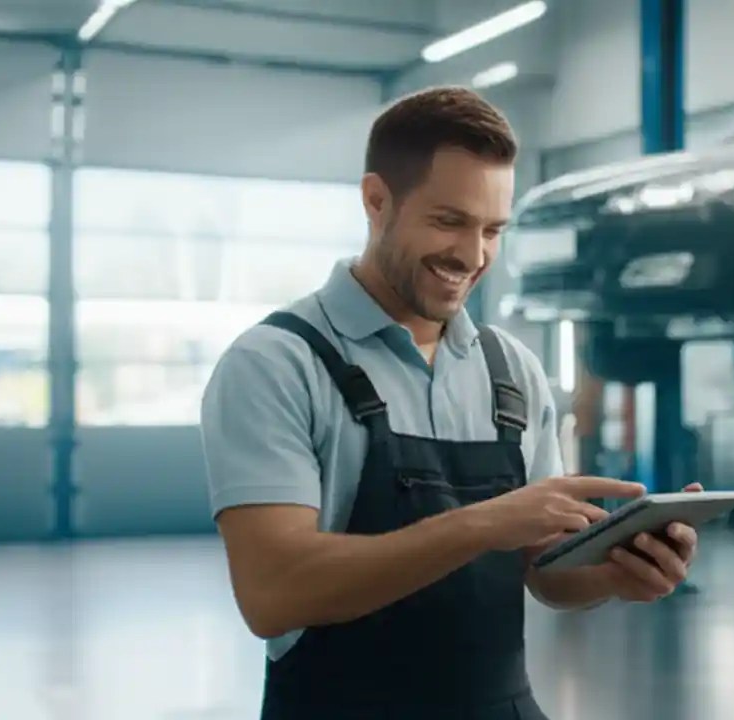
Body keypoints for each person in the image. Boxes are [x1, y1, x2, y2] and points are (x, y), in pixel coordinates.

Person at [199, 86, 702, 720]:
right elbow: (273, 592)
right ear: (376, 201)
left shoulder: (511, 371)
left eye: (493, 229)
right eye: (449, 221)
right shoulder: (275, 365)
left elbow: (544, 571)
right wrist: (483, 522)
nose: (473, 255)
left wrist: (614, 572)